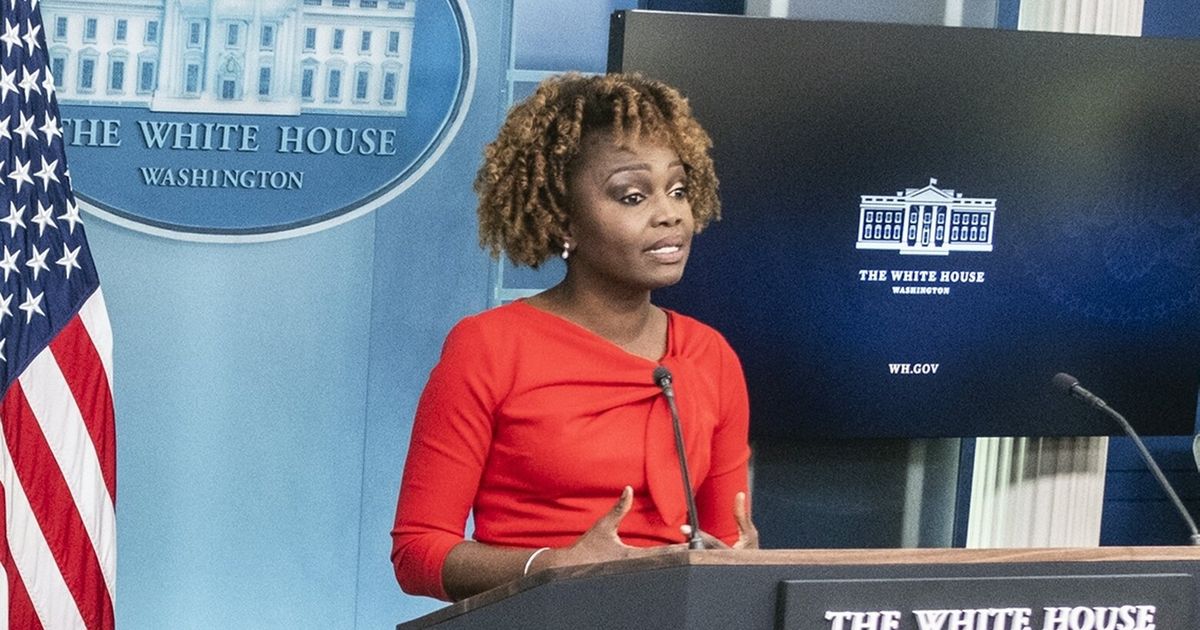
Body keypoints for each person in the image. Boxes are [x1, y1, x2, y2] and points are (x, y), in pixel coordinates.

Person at [391, 73, 757, 602]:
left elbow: (731, 541)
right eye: (633, 196)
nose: (670, 213)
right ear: (565, 219)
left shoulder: (711, 356)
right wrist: (555, 566)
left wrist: (740, 563)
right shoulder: (489, 347)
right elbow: (417, 553)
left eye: (678, 190)